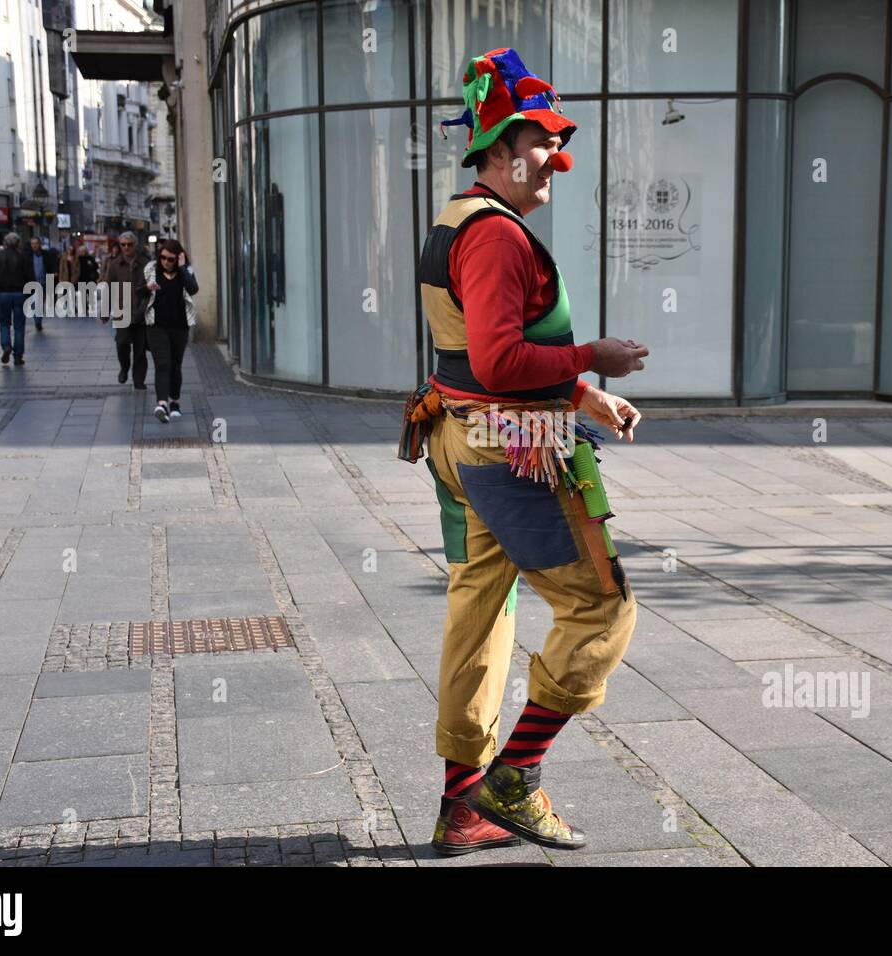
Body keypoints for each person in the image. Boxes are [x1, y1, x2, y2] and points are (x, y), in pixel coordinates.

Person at [400, 48, 648, 855]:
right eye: (543, 145)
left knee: (481, 617)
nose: (558, 162)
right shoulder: (501, 239)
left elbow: (476, 358)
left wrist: (585, 399)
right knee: (601, 608)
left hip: (459, 439)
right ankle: (515, 778)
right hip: (512, 451)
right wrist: (590, 359)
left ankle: (460, 809)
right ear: (502, 151)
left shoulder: (455, 219)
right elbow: (505, 363)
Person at [144, 239, 198, 422]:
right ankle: (162, 404)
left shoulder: (186, 271)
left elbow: (193, 289)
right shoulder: (151, 269)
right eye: (163, 258)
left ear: (179, 258)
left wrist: (182, 268)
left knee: (175, 365)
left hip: (179, 327)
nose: (166, 262)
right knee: (162, 364)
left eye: (171, 259)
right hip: (156, 326)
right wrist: (147, 288)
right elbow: (138, 292)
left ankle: (175, 402)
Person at [102, 231, 149, 388]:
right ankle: (124, 367)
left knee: (140, 349)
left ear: (135, 245)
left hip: (141, 312)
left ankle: (139, 380)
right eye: (123, 244)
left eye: (129, 244)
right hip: (122, 311)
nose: (126, 247)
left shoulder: (146, 263)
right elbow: (108, 288)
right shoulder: (115, 265)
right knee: (122, 343)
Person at [0, 231, 35, 365]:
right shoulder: (24, 257)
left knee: (4, 323)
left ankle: (6, 345)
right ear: (18, 243)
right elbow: (31, 277)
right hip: (20, 294)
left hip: (2, 294)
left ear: (5, 243)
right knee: (19, 326)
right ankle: (18, 355)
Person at [26, 236, 59, 331]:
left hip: (44, 282)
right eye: (32, 244)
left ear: (39, 244)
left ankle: (38, 321)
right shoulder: (28, 256)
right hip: (32, 282)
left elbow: (52, 265)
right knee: (34, 303)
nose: (34, 245)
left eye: (36, 243)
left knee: (40, 302)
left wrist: (54, 272)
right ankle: (37, 320)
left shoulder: (46, 255)